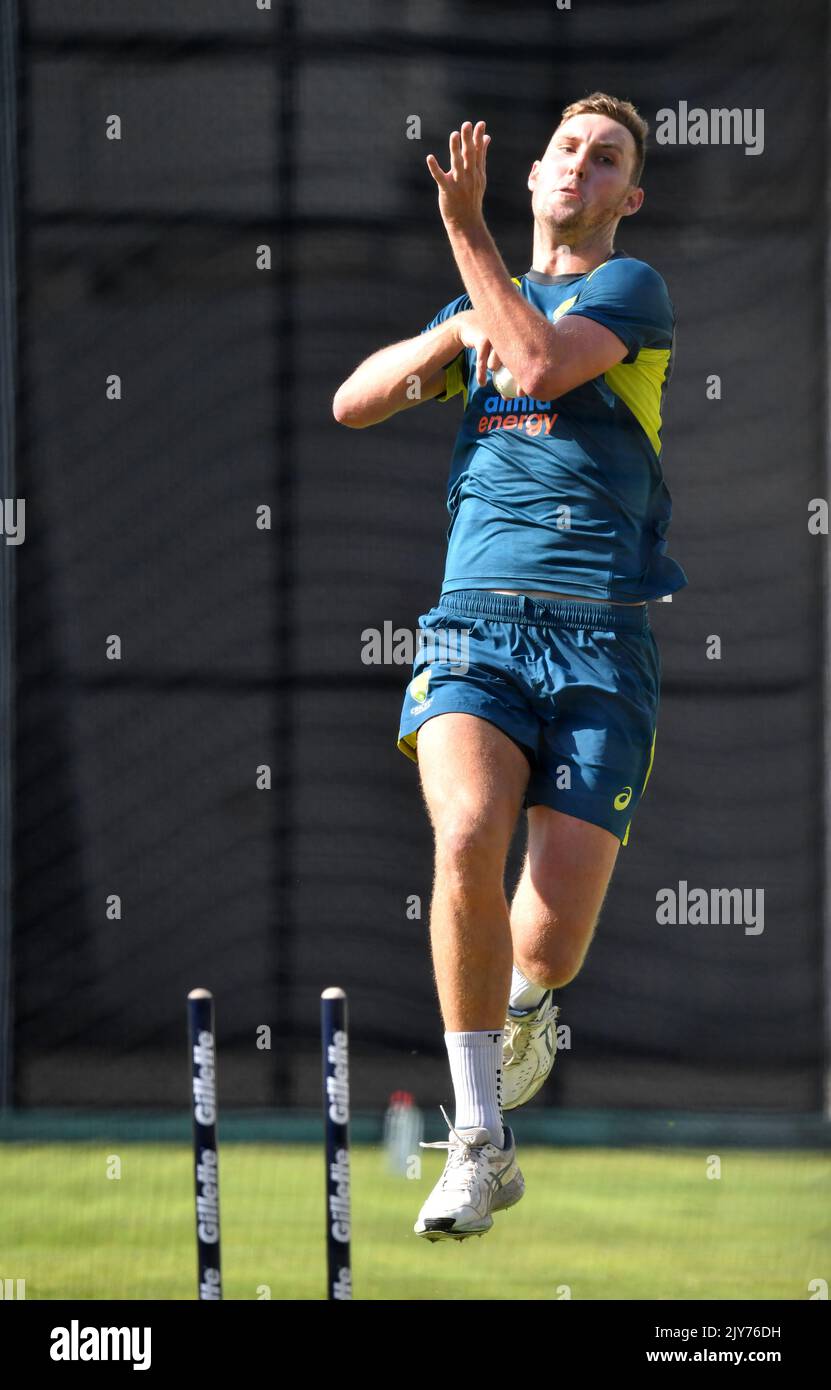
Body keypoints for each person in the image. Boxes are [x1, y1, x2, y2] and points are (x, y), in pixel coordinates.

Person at [332, 92, 687, 1242]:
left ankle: (528, 1002)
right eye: (569, 149)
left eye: (610, 158)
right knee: (465, 832)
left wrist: (468, 233)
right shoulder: (475, 303)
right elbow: (355, 401)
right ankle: (479, 1140)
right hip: (474, 627)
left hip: (601, 636)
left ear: (629, 197)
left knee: (548, 941)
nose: (584, 166)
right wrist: (447, 335)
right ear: (539, 176)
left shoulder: (627, 292)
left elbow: (535, 368)